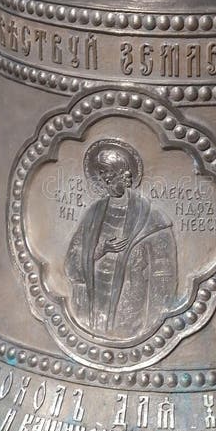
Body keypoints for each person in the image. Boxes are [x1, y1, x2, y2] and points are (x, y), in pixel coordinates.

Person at [65, 139, 178, 341]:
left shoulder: (152, 219)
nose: (106, 182)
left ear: (125, 175)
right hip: (92, 308)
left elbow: (162, 277)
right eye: (102, 177)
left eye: (110, 175)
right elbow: (72, 262)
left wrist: (155, 328)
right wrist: (99, 250)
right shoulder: (93, 214)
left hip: (131, 312)